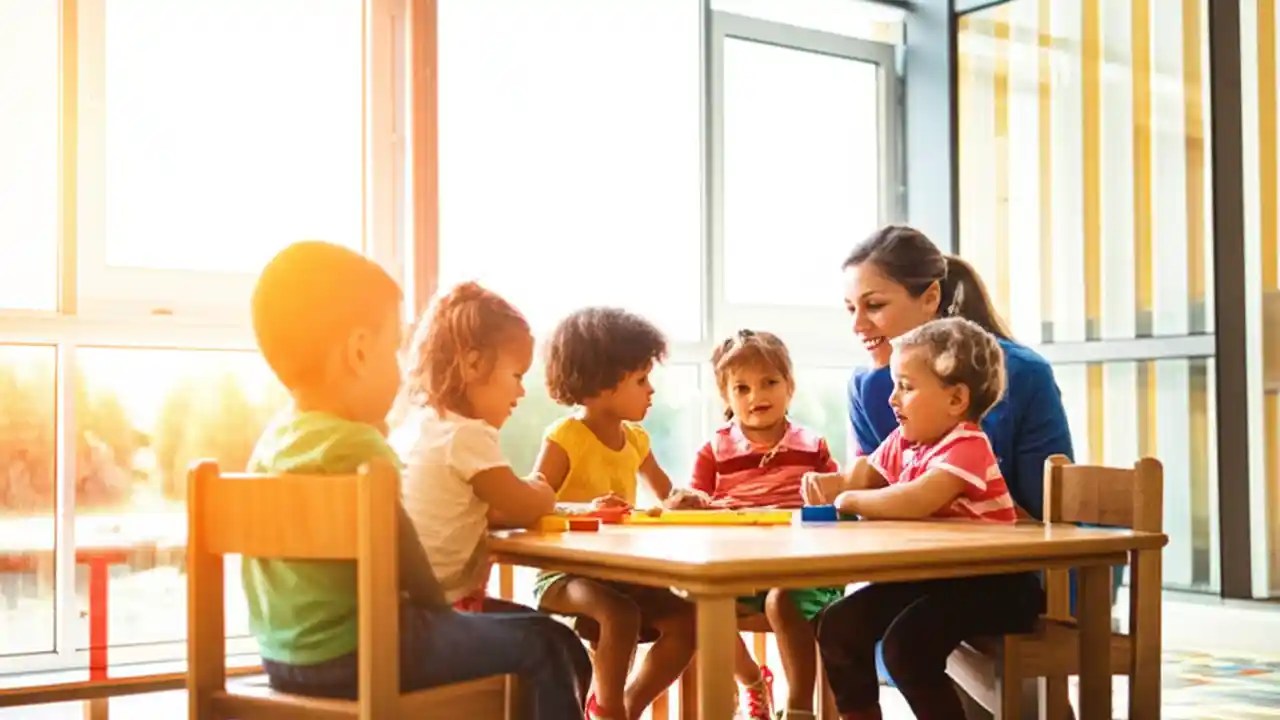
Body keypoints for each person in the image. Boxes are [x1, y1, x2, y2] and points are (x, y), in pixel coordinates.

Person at [243, 242, 588, 718]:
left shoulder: (268, 449)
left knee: (538, 638)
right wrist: (440, 614)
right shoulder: (362, 449)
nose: (401, 369)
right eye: (392, 350)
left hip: (285, 660)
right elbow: (410, 572)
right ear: (360, 353)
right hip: (369, 649)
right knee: (547, 643)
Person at [804, 317, 1044, 720]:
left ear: (956, 400)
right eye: (895, 385)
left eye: (906, 387)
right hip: (939, 579)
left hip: (999, 585)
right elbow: (862, 475)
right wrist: (826, 485)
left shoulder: (968, 445)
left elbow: (916, 499)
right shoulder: (907, 441)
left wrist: (852, 499)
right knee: (838, 624)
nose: (892, 400)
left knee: (906, 646)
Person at [531, 306, 698, 720]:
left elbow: (666, 495)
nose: (651, 390)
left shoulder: (637, 440)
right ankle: (609, 711)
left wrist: (683, 500)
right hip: (564, 574)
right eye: (641, 380)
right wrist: (585, 510)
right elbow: (532, 501)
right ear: (601, 385)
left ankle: (622, 708)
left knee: (689, 621)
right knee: (619, 615)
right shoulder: (566, 437)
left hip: (621, 573)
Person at [690, 329, 844, 720]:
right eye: (741, 388)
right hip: (740, 568)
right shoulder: (713, 452)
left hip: (803, 569)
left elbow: (838, 501)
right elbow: (692, 511)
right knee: (702, 605)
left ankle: (798, 709)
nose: (756, 396)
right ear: (725, 397)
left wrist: (833, 497)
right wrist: (692, 503)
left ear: (789, 387)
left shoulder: (813, 446)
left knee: (782, 600)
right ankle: (752, 682)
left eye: (769, 383)